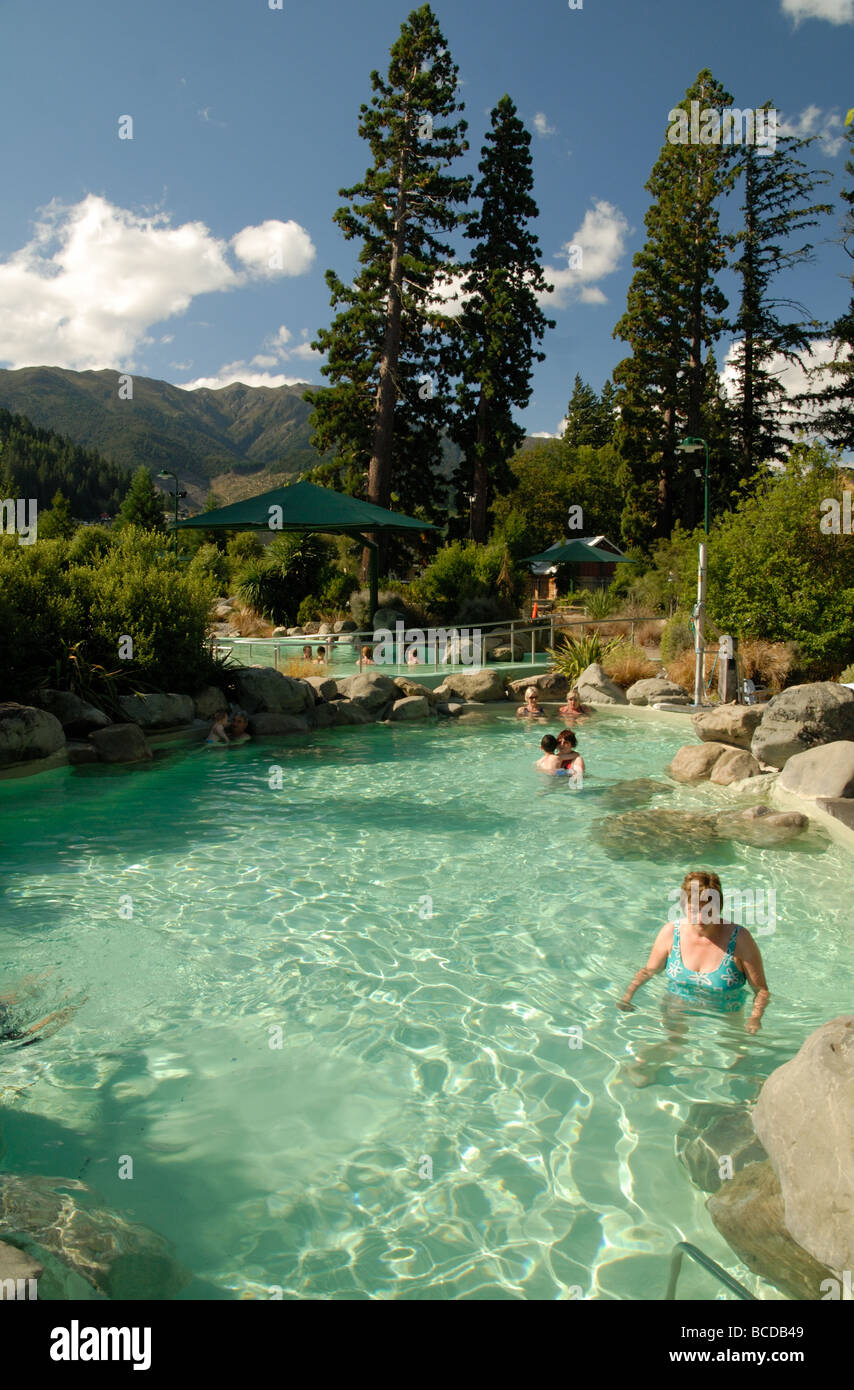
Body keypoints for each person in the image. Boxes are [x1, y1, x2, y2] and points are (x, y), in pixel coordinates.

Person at [617, 869, 770, 1034]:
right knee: (669, 1048)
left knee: (736, 1051)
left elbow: (760, 990)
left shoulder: (740, 939)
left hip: (724, 1018)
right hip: (677, 1010)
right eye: (694, 910)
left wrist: (755, 1018)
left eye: (709, 911)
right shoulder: (670, 933)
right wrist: (627, 997)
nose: (701, 918)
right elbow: (648, 971)